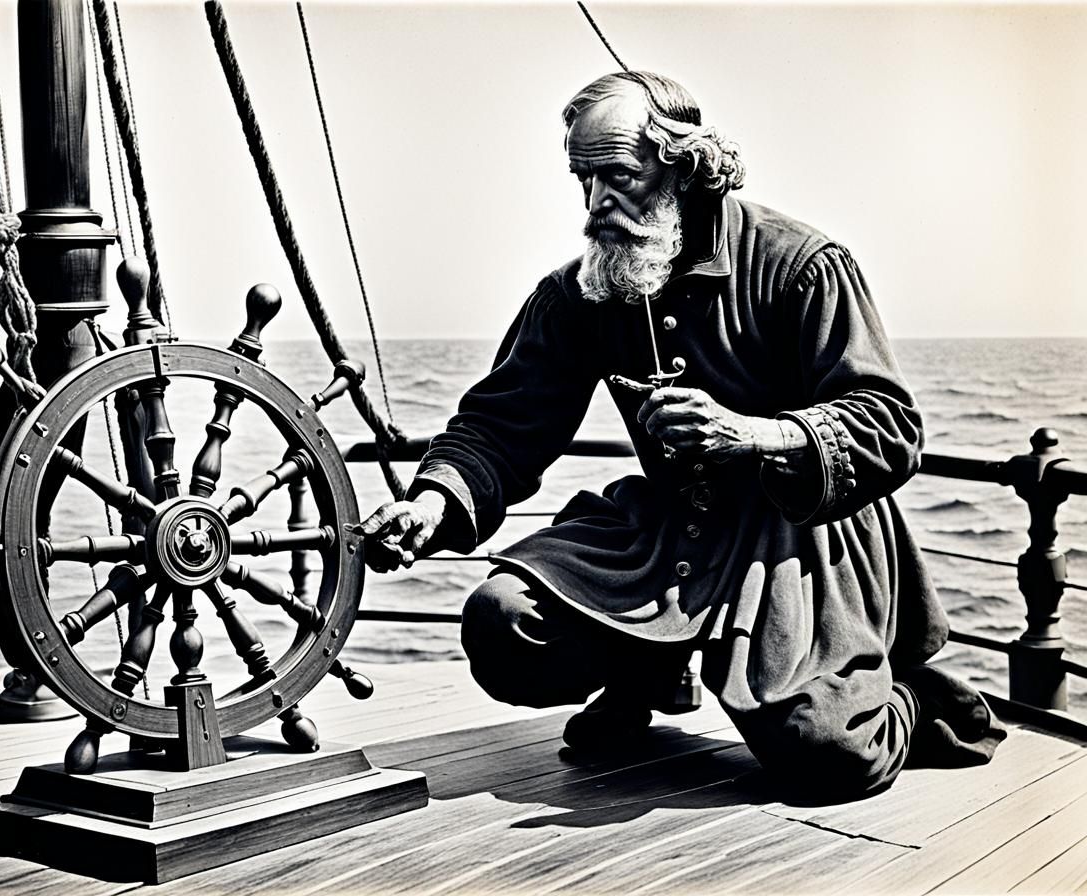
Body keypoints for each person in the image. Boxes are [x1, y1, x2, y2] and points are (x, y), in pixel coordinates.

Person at [358, 71, 1005, 801]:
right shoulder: (582, 291)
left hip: (800, 537)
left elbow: (891, 424)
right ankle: (647, 670)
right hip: (668, 532)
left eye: (618, 177)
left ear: (686, 167)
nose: (595, 204)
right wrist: (433, 503)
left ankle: (912, 700)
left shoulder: (803, 265)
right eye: (583, 179)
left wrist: (752, 435)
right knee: (504, 624)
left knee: (824, 752)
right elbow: (503, 424)